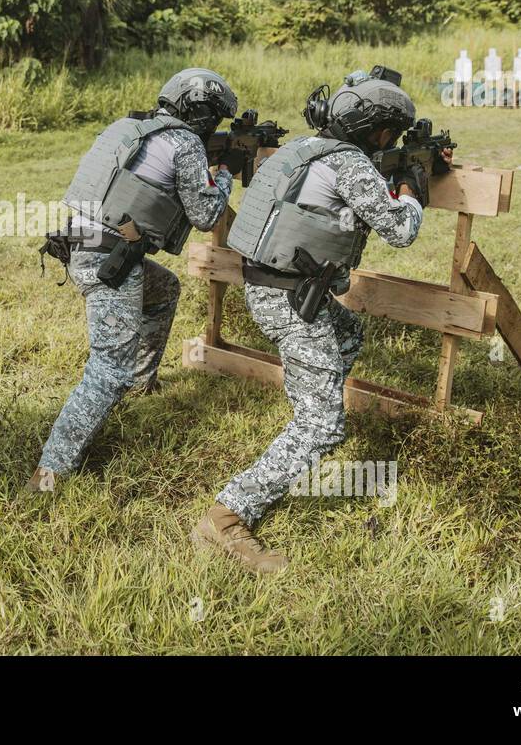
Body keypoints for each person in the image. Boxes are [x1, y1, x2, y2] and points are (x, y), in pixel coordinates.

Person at [192, 68, 451, 574]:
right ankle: (226, 516)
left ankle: (312, 390)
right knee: (324, 427)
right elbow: (400, 229)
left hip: (269, 288)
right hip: (292, 300)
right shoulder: (352, 166)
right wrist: (412, 190)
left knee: (350, 330)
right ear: (378, 132)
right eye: (390, 134)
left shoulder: (304, 149)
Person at [26, 69, 237, 494]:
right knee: (107, 370)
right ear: (200, 113)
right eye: (213, 118)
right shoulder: (186, 142)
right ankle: (48, 476)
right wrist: (226, 175)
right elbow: (206, 215)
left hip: (80, 243)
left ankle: (142, 384)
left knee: (164, 290)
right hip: (110, 260)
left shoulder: (128, 125)